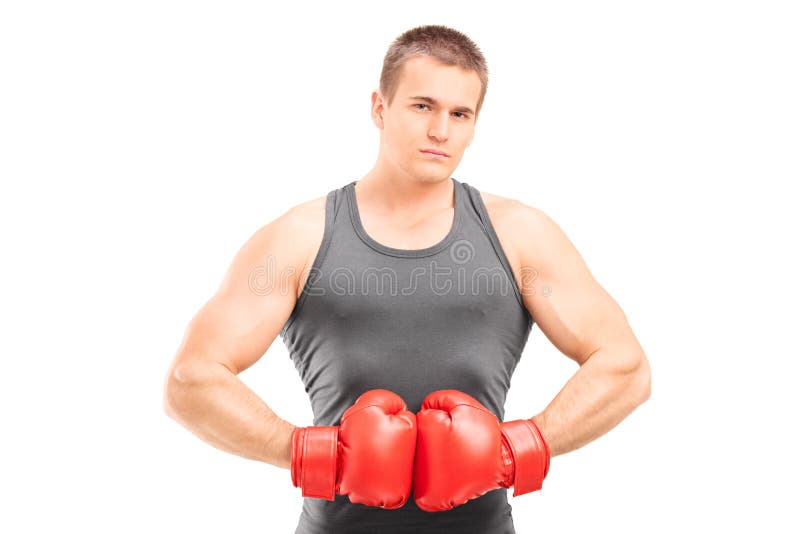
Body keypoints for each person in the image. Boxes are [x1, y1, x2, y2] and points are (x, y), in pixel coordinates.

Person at [163, 24, 651, 534]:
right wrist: (311, 454)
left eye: (460, 114)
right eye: (422, 106)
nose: (441, 130)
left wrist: (511, 451)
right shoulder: (297, 239)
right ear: (379, 108)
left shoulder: (522, 235)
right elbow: (190, 381)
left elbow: (625, 367)